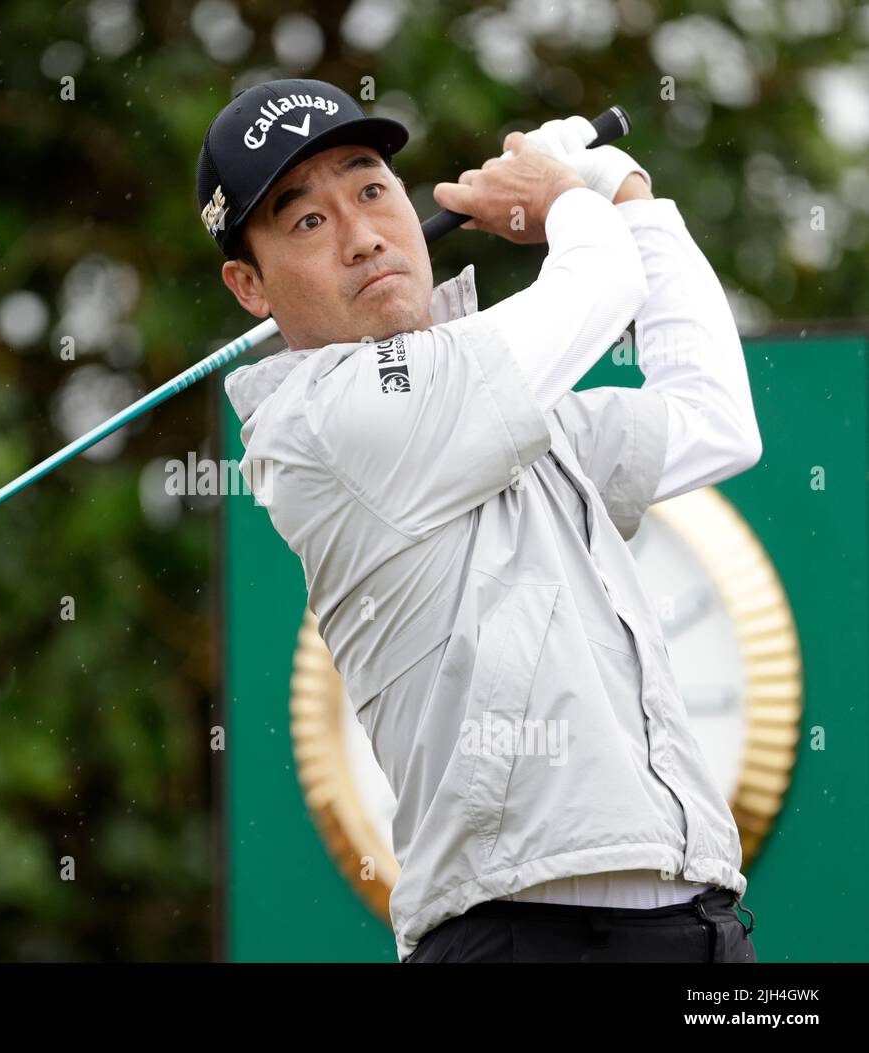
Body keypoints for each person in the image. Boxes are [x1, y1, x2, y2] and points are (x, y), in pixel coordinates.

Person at [200, 78, 762, 963]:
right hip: (518, 937)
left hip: (702, 928)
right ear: (248, 284)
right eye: (306, 221)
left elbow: (717, 419)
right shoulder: (325, 423)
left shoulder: (506, 407)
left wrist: (623, 188)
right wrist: (564, 196)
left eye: (372, 188)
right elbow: (599, 280)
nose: (361, 236)